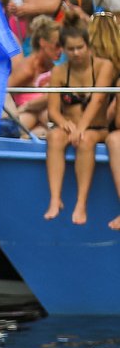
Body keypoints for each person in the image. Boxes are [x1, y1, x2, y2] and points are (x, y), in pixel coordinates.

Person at [41, 24, 116, 225]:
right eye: (71, 49)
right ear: (63, 49)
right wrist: (65, 123)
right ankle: (55, 199)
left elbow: (98, 99)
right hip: (70, 127)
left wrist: (81, 127)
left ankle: (81, 203)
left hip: (96, 128)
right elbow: (53, 110)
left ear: (88, 46)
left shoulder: (103, 66)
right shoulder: (59, 71)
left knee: (85, 140)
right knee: (54, 136)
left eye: (80, 47)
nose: (76, 53)